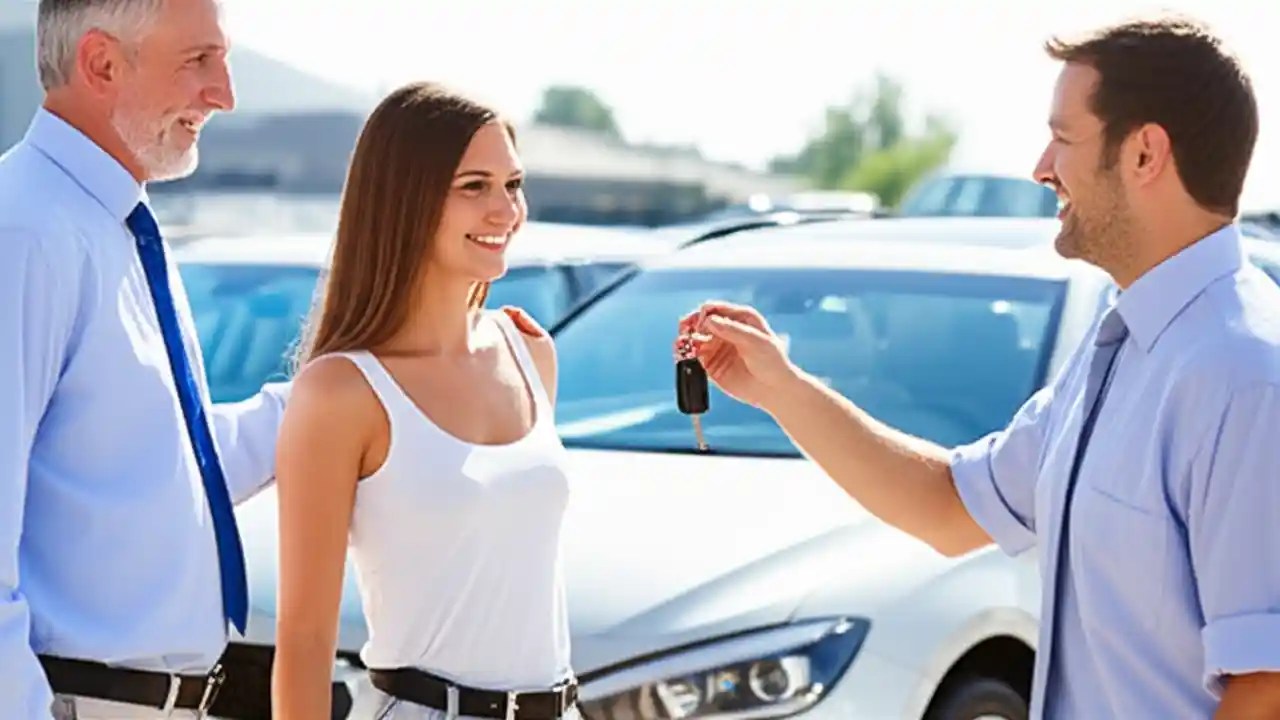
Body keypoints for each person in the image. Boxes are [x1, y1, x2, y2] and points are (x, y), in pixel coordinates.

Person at [674, 14, 1280, 720]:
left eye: (1064, 137)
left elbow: (1265, 685)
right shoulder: (1123, 345)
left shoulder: (1246, 375)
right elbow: (949, 507)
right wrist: (780, 387)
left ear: (1145, 154)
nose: (1041, 168)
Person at [0, 0, 287, 718]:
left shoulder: (106, 224)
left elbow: (171, 468)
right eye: (199, 61)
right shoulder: (24, 233)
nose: (225, 95)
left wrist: (353, 376)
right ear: (100, 63)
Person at [270, 81, 574, 720]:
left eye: (513, 185)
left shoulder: (529, 353)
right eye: (474, 187)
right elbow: (303, 643)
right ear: (403, 201)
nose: (506, 210)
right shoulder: (341, 393)